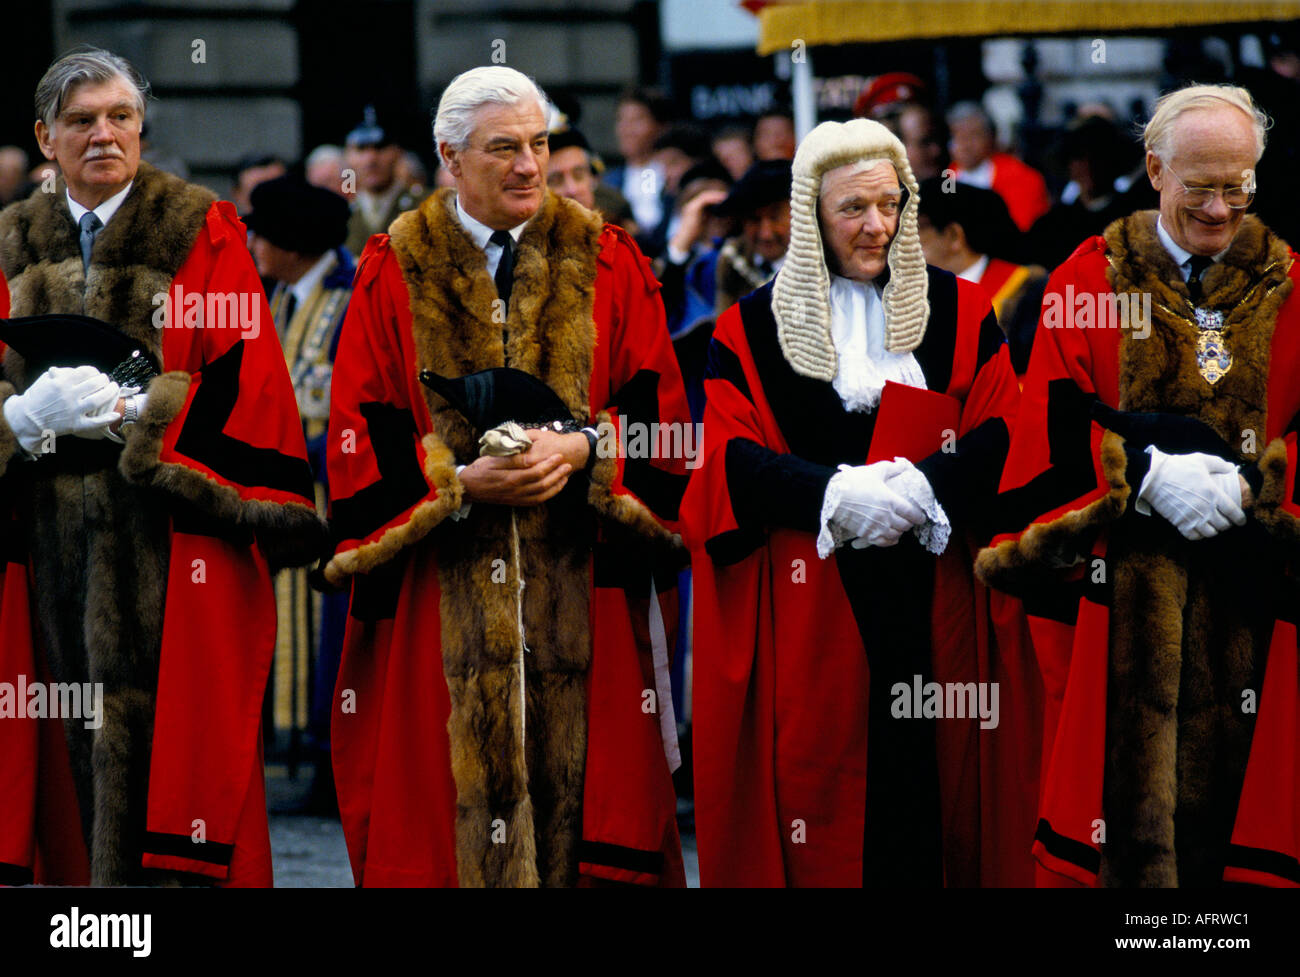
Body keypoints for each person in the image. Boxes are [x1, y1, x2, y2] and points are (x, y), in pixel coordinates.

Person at [324, 65, 692, 888]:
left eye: (540, 143)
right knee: (444, 829)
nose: (530, 164)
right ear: (451, 159)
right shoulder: (395, 266)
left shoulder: (608, 260)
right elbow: (360, 429)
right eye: (504, 148)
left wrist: (589, 451)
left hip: (584, 583)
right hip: (441, 599)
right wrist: (456, 483)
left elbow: (666, 423)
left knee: (594, 826)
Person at [0, 48, 323, 886]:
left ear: (142, 129)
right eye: (81, 121)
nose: (103, 135)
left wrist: (148, 417)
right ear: (45, 136)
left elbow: (250, 380)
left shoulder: (200, 227)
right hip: (38, 553)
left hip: (168, 554)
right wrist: (22, 419)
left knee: (175, 789)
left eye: (120, 118)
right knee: (57, 777)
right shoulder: (8, 241)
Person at [683, 119, 1035, 887]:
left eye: (890, 203)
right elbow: (727, 460)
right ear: (812, 213)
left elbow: (1008, 428)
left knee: (932, 804)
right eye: (853, 207)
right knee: (832, 817)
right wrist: (832, 492)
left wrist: (925, 486)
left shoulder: (966, 310)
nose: (877, 224)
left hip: (936, 596)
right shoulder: (746, 330)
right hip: (814, 607)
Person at [976, 84, 1300, 887]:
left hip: (1257, 613)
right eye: (1201, 186)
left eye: (1239, 186)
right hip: (1119, 619)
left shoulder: (1294, 283)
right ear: (1155, 169)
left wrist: (1264, 486)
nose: (1222, 208)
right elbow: (1041, 440)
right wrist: (1142, 476)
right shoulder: (1085, 279)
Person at [244, 174, 357, 814]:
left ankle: (326, 759)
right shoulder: (278, 297)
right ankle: (295, 757)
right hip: (287, 495)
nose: (254, 242)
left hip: (333, 492)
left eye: (262, 231)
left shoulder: (349, 298)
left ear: (291, 240)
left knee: (330, 631)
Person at [917, 178, 1048, 376]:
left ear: (953, 236)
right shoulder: (912, 294)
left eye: (917, 229)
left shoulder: (1028, 294)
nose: (904, 241)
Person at [947, 101, 1051, 233]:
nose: (965, 145)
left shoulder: (1023, 178)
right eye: (958, 137)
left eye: (973, 136)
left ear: (991, 138)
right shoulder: (948, 175)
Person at [342, 105, 426, 257]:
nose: (371, 159)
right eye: (361, 149)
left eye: (381, 147)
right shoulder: (341, 215)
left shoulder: (425, 208)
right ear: (348, 156)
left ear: (398, 152)